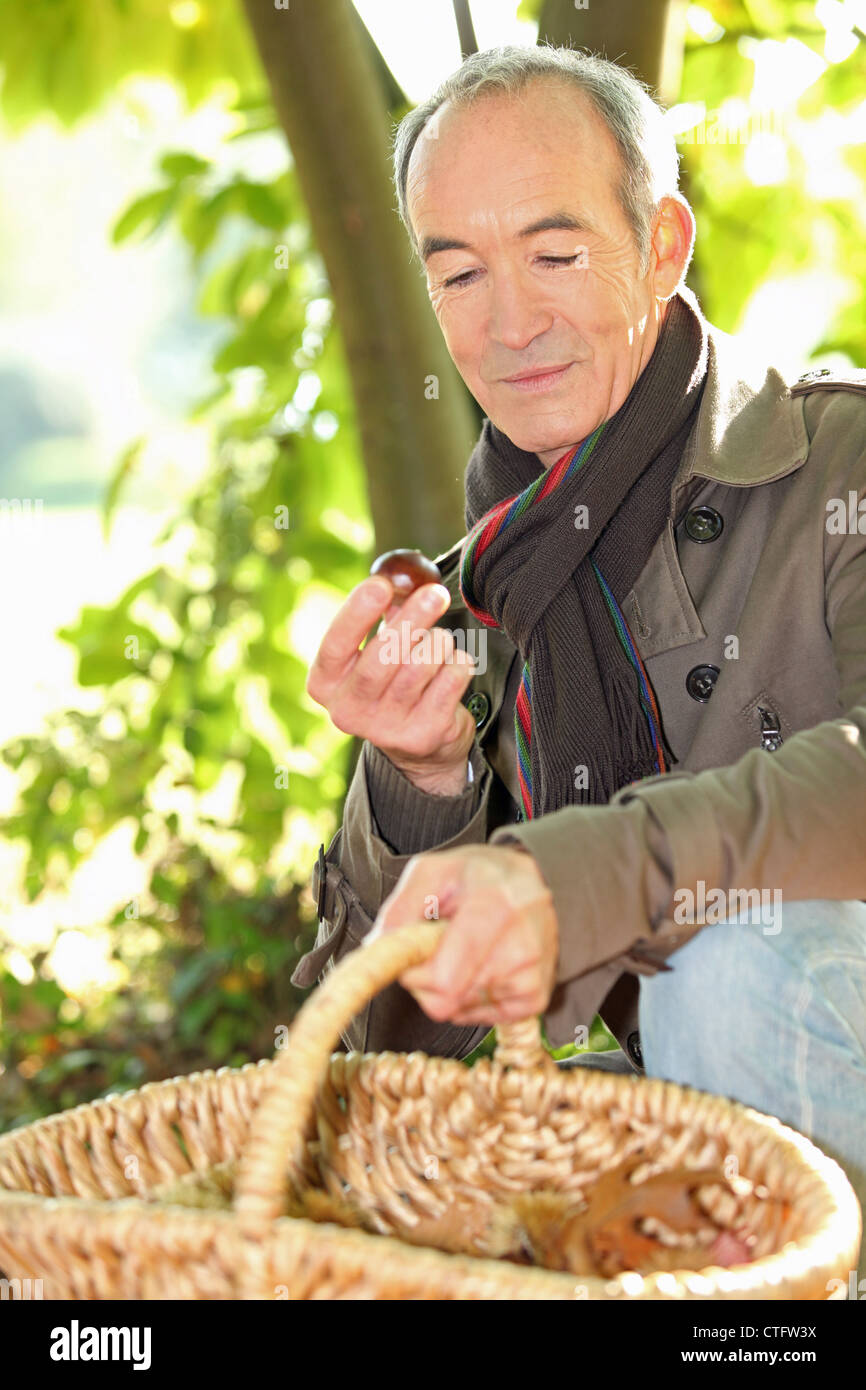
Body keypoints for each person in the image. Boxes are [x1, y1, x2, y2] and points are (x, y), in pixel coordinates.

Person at [294, 46, 866, 1280]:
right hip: (672, 1143)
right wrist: (420, 782)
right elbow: (358, 1075)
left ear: (660, 245)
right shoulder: (466, 604)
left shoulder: (839, 467)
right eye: (457, 271)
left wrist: (582, 874)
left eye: (554, 255)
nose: (509, 323)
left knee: (730, 970)